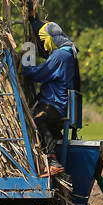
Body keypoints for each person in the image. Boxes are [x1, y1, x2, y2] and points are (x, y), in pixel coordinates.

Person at [21, 17, 80, 168]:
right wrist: (34, 19)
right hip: (62, 104)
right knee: (47, 128)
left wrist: (26, 63)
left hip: (54, 104)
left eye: (42, 41)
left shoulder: (60, 56)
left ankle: (52, 158)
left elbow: (38, 75)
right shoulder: (69, 53)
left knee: (38, 120)